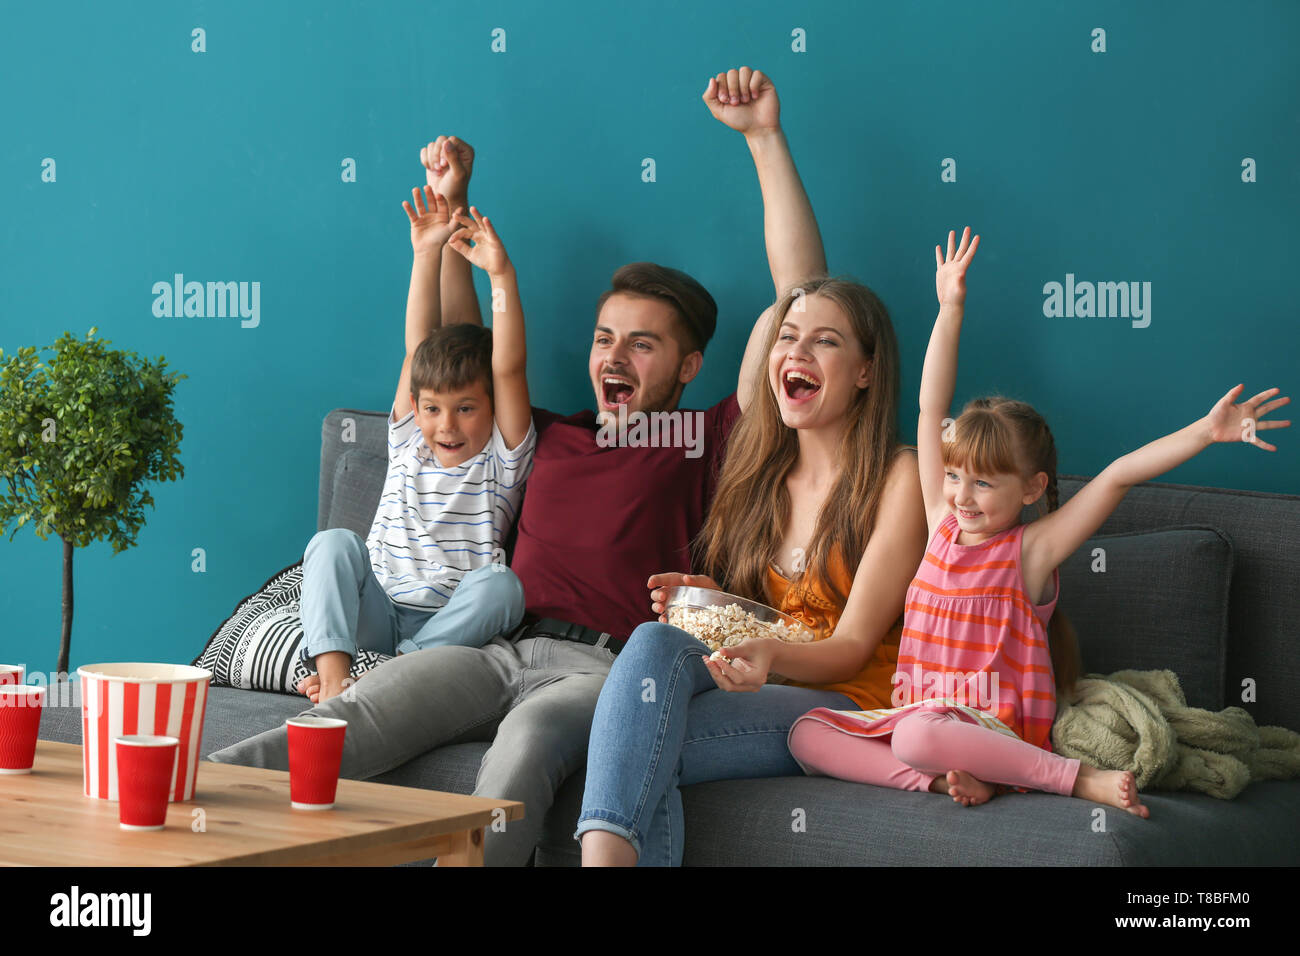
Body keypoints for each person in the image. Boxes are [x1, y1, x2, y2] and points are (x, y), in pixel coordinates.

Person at [209, 65, 811, 865]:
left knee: (519, 755)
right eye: (604, 338)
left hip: (600, 667)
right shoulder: (546, 435)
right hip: (494, 645)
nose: (615, 355)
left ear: (690, 365)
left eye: (643, 342)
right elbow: (452, 351)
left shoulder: (704, 440)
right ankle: (175, 807)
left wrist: (766, 138)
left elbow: (802, 296)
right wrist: (454, 213)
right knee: (353, 720)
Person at [787, 227, 1291, 817]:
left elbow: (1117, 476)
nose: (963, 498)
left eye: (984, 483)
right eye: (955, 477)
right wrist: (949, 309)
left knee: (916, 738)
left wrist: (1207, 431)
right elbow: (929, 408)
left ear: (1032, 489)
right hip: (923, 720)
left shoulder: (1030, 552)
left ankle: (1071, 778)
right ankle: (947, 781)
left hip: (993, 725)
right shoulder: (938, 523)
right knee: (804, 735)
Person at [573, 68, 931, 867]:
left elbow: (845, 646)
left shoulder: (900, 476)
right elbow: (778, 624)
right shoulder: (757, 465)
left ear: (868, 372)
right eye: (788, 338)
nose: (796, 351)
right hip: (767, 683)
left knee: (633, 731)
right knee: (654, 661)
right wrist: (723, 608)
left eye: (826, 341)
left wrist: (765, 138)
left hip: (845, 703)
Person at [294, 185, 534, 706]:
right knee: (331, 543)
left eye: (466, 409)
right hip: (376, 610)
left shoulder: (501, 457)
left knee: (503, 586)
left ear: (490, 409)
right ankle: (334, 676)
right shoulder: (408, 440)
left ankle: (394, 672)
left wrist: (501, 276)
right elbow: (418, 343)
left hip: (447, 626)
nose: (445, 425)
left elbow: (509, 365)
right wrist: (425, 254)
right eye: (432, 409)